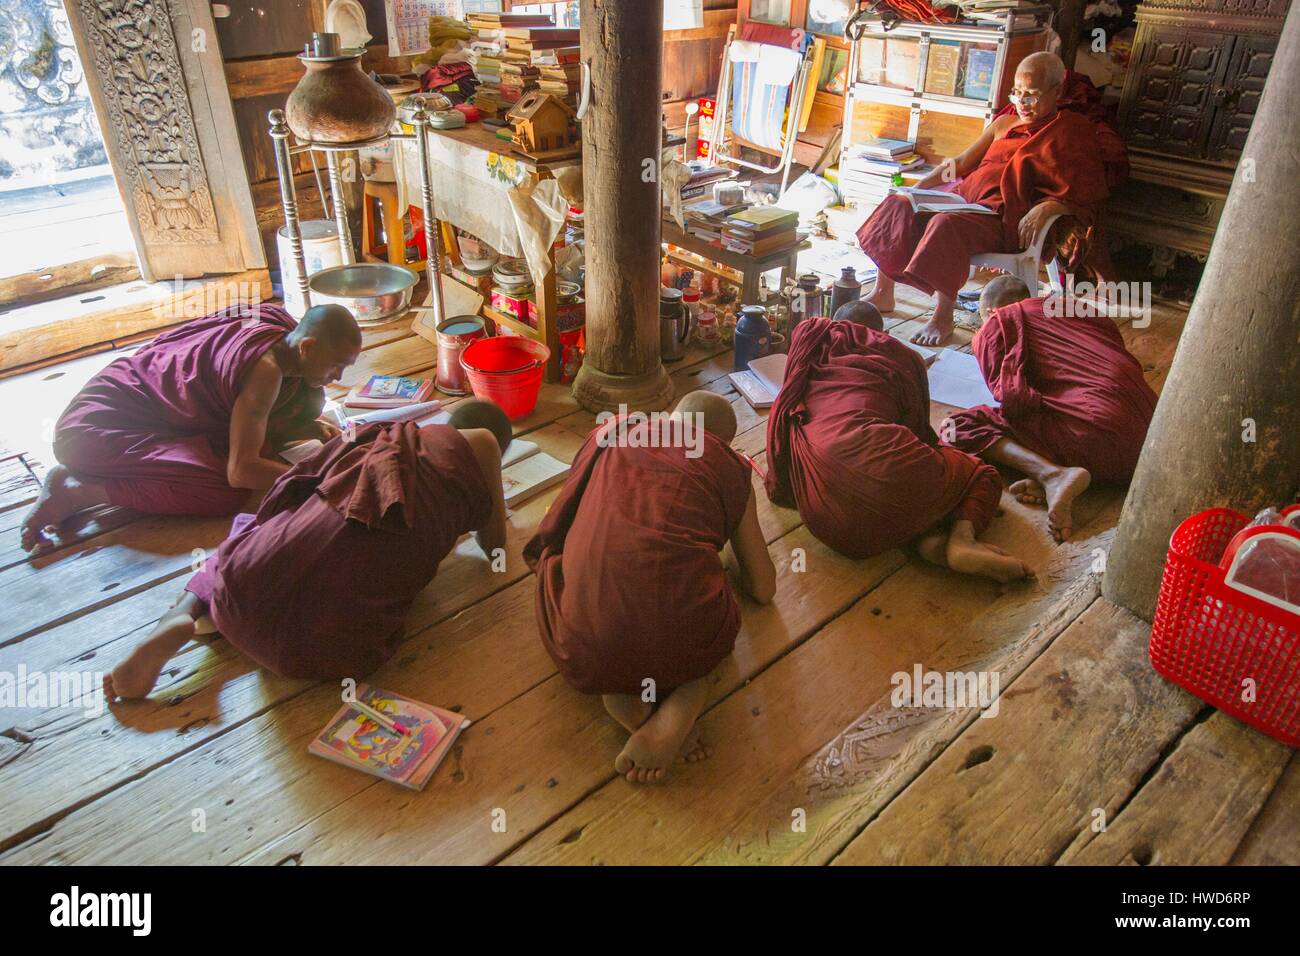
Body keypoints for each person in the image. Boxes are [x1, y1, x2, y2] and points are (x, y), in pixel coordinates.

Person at [103, 400, 511, 699]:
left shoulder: (385, 440)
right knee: (392, 569)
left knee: (247, 538)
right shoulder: (485, 443)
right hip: (324, 652)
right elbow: (494, 545)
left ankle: (181, 615)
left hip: (241, 591)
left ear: (446, 420)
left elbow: (287, 492)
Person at [524, 391, 776, 785]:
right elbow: (763, 587)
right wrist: (722, 555)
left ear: (669, 418)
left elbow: (564, 521)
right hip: (678, 636)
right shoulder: (726, 465)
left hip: (584, 639)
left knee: (560, 572)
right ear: (722, 444)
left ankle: (621, 692)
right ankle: (679, 709)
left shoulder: (614, 433)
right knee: (712, 630)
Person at [21, 302, 361, 553]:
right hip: (96, 425)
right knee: (224, 491)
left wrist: (302, 424)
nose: (338, 378)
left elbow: (230, 386)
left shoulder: (280, 325)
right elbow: (241, 471)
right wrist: (322, 482)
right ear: (307, 347)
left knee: (303, 409)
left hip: (149, 405)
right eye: (336, 366)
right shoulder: (266, 370)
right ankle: (80, 490)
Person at [856, 51, 1109, 346]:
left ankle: (942, 317)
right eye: (1017, 93)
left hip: (1004, 216)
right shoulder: (1003, 125)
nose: (1022, 103)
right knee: (898, 203)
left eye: (1032, 95)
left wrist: (1050, 207)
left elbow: (1086, 191)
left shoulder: (1071, 130)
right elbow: (961, 162)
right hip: (965, 199)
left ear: (1057, 89)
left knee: (945, 223)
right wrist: (919, 187)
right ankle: (884, 291)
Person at [766, 315, 1031, 582]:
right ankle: (961, 538)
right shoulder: (901, 356)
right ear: (879, 335)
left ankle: (926, 543)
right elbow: (919, 434)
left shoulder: (809, 341)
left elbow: (785, 407)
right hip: (885, 473)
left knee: (893, 488)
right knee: (978, 474)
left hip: (827, 524)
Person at [943, 275, 1157, 542]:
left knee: (956, 427)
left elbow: (1015, 399)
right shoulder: (1075, 308)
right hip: (1153, 437)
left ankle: (1053, 475)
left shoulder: (999, 322)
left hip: (1098, 436)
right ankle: (1064, 474)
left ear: (989, 311)